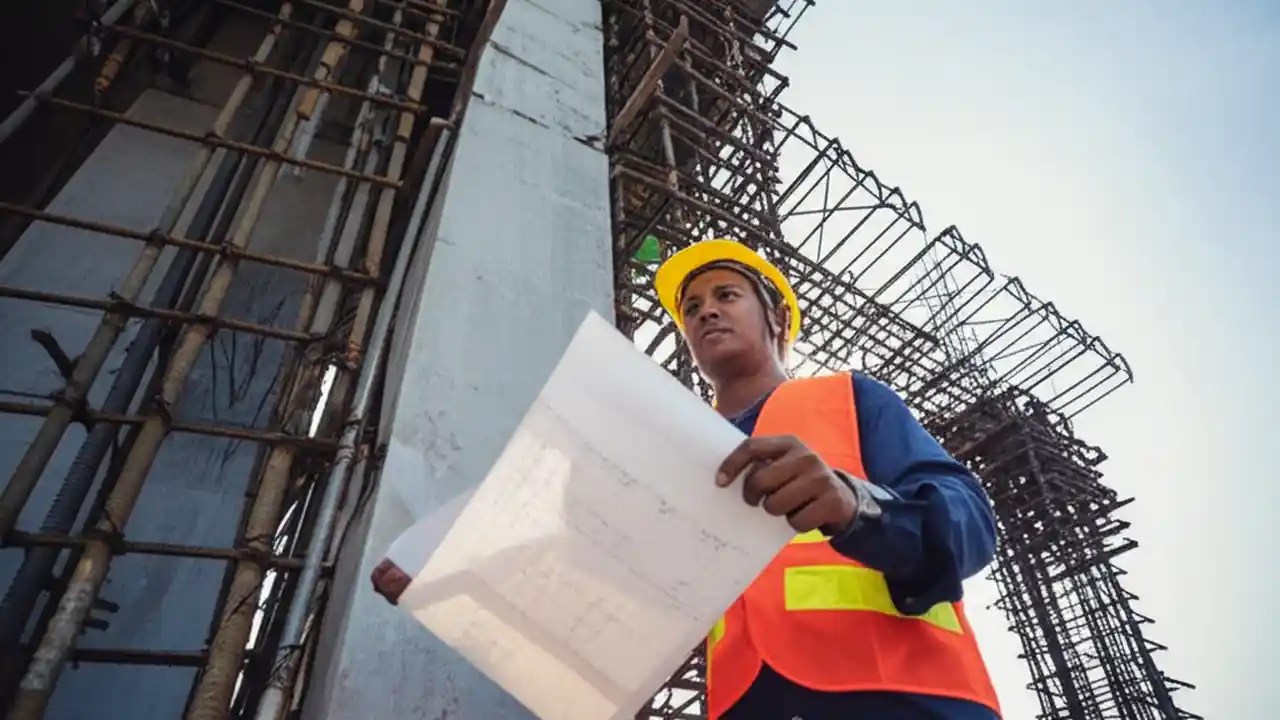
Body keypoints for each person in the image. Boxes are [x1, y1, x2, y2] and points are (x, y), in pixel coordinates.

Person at [653, 239, 1003, 720]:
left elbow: (972, 523)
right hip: (751, 704)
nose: (706, 312)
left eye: (726, 296)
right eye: (692, 308)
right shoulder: (680, 455)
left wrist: (860, 506)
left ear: (775, 317)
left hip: (903, 697)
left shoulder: (850, 397)